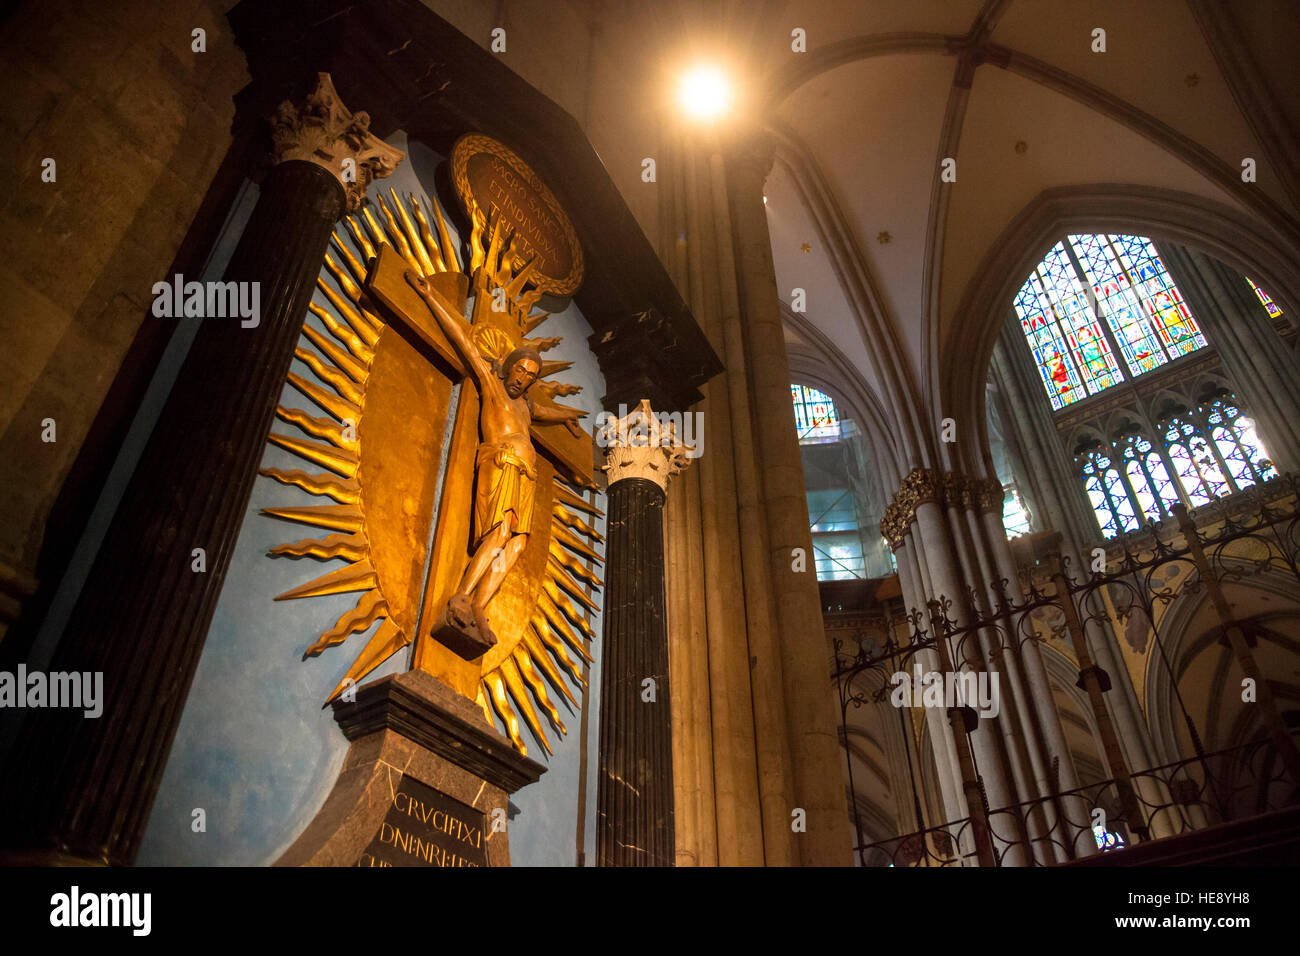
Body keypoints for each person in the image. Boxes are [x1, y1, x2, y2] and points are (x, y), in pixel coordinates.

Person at [406, 270, 583, 653]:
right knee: (499, 534)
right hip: (501, 464)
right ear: (508, 367)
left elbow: (546, 412)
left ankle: (480, 609)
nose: (523, 377)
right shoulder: (492, 386)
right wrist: (431, 295)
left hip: (526, 476)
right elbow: (464, 341)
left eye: (531, 375)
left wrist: (568, 416)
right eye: (519, 369)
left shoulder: (527, 407)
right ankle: (461, 597)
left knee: (516, 545)